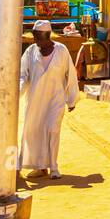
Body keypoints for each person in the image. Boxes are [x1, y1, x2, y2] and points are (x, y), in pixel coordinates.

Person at [18, 19, 80, 180]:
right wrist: (17, 93)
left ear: (46, 35)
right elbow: (22, 75)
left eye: (38, 36)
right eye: (34, 35)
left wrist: (71, 99)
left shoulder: (61, 51)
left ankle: (53, 167)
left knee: (53, 129)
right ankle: (40, 167)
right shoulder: (31, 52)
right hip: (35, 100)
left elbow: (71, 75)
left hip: (56, 99)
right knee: (33, 131)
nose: (35, 39)